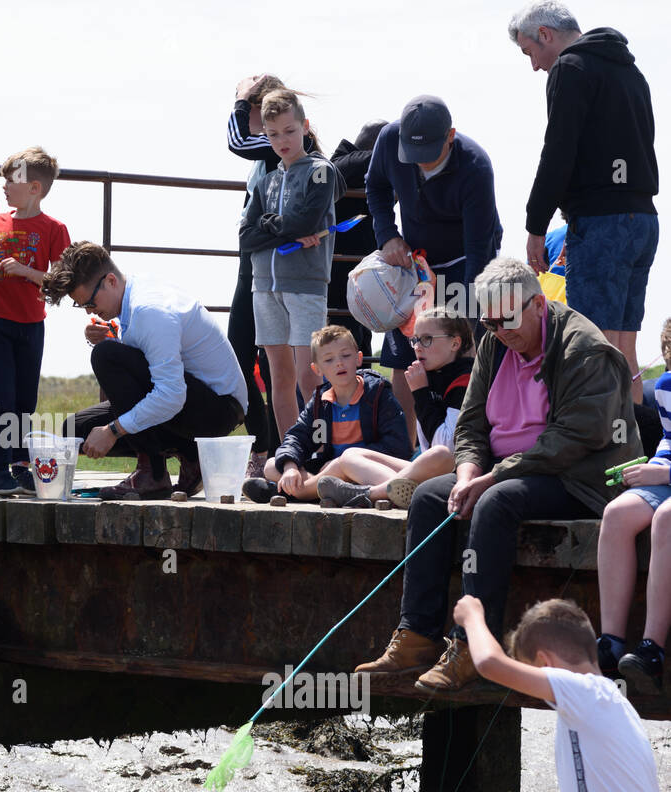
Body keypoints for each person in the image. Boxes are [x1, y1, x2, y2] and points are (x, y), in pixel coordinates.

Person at [355, 258, 641, 693]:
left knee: (496, 500)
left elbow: (575, 437)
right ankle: (416, 633)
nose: (501, 329)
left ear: (538, 305)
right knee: (432, 495)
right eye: (489, 321)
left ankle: (472, 646)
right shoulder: (494, 339)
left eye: (508, 318)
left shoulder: (584, 350)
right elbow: (470, 423)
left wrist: (490, 478)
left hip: (577, 476)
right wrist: (468, 468)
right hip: (505, 470)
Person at [456, 595, 671, 792]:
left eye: (533, 676)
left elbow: (489, 663)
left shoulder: (581, 691)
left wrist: (471, 616)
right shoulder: (618, 706)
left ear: (546, 665)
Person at [510, 2, 658, 389]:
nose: (534, 65)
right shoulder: (631, 71)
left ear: (545, 34)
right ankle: (632, 440)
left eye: (530, 52)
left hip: (601, 222)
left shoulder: (570, 68)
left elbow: (558, 152)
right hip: (643, 218)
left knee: (593, 347)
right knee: (624, 346)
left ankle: (605, 447)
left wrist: (535, 225)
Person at [43, 241, 247, 500]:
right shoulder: (133, 293)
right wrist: (112, 337)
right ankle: (190, 454)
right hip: (191, 397)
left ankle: (152, 472)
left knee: (106, 356)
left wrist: (113, 430)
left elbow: (172, 395)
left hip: (219, 410)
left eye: (91, 303)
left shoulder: (149, 310)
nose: (89, 312)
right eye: (83, 306)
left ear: (111, 281)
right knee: (76, 430)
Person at [365, 95, 503, 447]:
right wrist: (387, 235)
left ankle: (465, 447)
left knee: (461, 353)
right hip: (413, 263)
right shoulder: (388, 140)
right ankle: (404, 451)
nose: (422, 165)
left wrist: (470, 326)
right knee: (404, 356)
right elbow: (376, 186)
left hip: (465, 261)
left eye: (430, 155)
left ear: (450, 136)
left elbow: (478, 254)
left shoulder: (476, 167)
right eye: (414, 157)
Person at [239, 89, 344, 442]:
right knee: (278, 378)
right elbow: (245, 237)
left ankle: (318, 451)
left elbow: (305, 221)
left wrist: (271, 227)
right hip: (263, 286)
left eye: (289, 130)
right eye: (273, 134)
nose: (282, 140)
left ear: (305, 127)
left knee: (309, 376)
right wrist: (280, 228)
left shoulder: (320, 171)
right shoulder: (266, 180)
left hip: (305, 283)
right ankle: (289, 454)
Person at [0, 147, 71, 497]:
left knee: (26, 400)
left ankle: (20, 466)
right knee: (0, 397)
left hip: (30, 324)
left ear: (35, 188)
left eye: (12, 181)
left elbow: (61, 281)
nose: (5, 187)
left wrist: (25, 270)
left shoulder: (55, 229)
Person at [225, 73, 315, 477]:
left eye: (251, 112)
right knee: (239, 355)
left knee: (289, 366)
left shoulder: (280, 146)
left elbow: (237, 141)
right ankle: (266, 445)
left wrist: (241, 101)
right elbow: (247, 232)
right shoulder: (271, 149)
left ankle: (290, 449)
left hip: (285, 270)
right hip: (256, 265)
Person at [316, 307, 472, 508]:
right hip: (431, 470)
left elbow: (448, 449)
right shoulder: (431, 375)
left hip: (458, 472)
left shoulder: (464, 379)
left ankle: (369, 493)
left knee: (439, 454)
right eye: (415, 340)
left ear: (455, 343)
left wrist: (421, 394)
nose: (417, 347)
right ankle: (401, 491)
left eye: (427, 339)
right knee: (351, 455)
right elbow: (427, 448)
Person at [242, 324, 408, 503]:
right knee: (271, 465)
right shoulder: (321, 401)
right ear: (317, 369)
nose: (339, 363)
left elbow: (396, 445)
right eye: (328, 360)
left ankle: (294, 494)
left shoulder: (377, 394)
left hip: (366, 469)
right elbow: (298, 437)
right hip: (328, 471)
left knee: (343, 462)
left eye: (346, 355)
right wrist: (290, 467)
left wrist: (346, 462)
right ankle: (321, 490)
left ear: (359, 358)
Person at [594, 317, 671, 691]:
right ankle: (610, 642)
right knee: (618, 513)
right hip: (667, 478)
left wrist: (664, 475)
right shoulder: (666, 388)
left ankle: (652, 648)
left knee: (668, 518)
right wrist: (651, 467)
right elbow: (668, 444)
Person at [329, 120, 388, 357]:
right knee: (345, 346)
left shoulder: (364, 167)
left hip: (361, 278)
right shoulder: (345, 164)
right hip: (340, 277)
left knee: (360, 344)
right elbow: (340, 167)